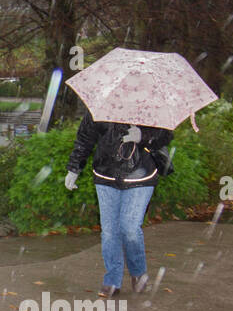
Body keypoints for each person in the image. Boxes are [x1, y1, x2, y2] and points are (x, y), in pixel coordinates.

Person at [64, 108, 173, 298]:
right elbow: (85, 138)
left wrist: (143, 136)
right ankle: (112, 280)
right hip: (105, 175)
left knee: (129, 228)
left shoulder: (149, 104)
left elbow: (166, 134)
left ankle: (138, 273)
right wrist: (74, 168)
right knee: (109, 232)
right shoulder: (102, 104)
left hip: (141, 175)